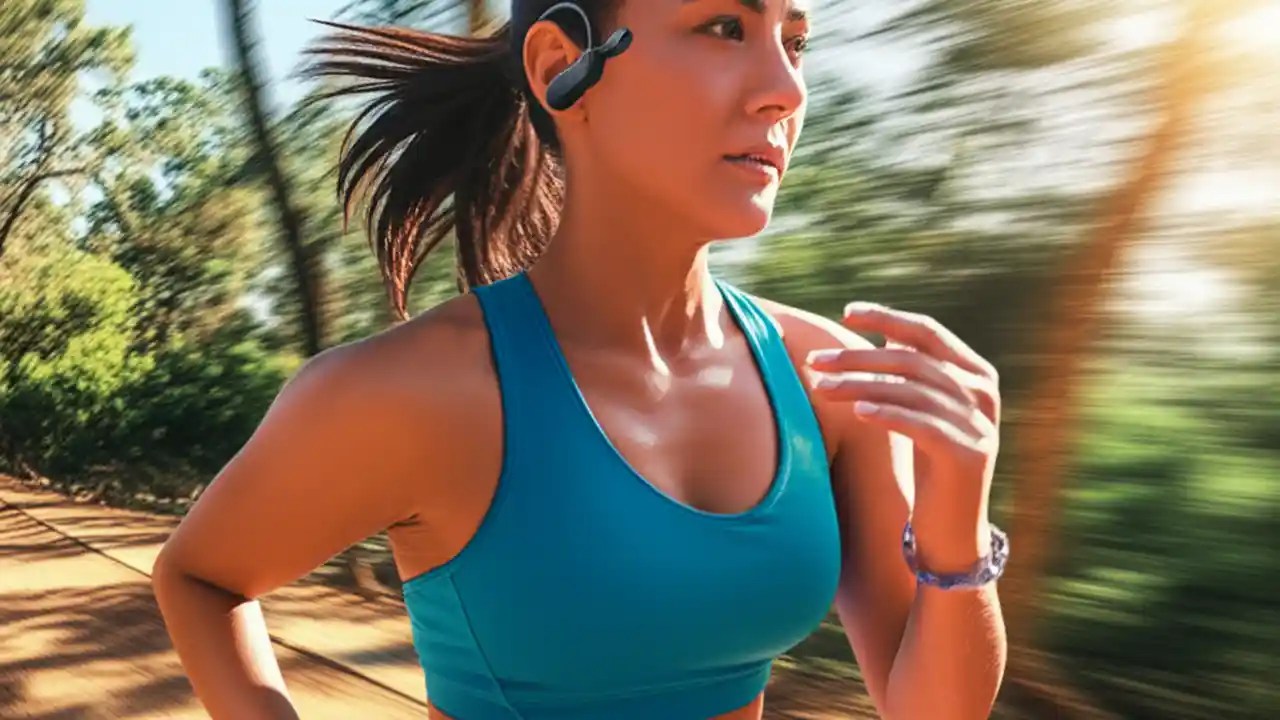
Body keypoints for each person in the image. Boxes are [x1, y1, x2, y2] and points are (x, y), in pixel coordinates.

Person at [151, 1, 1009, 718]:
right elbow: (200, 577)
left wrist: (957, 528)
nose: (785, 91)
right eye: (723, 27)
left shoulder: (830, 379)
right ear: (565, 65)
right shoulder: (417, 392)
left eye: (795, 41)